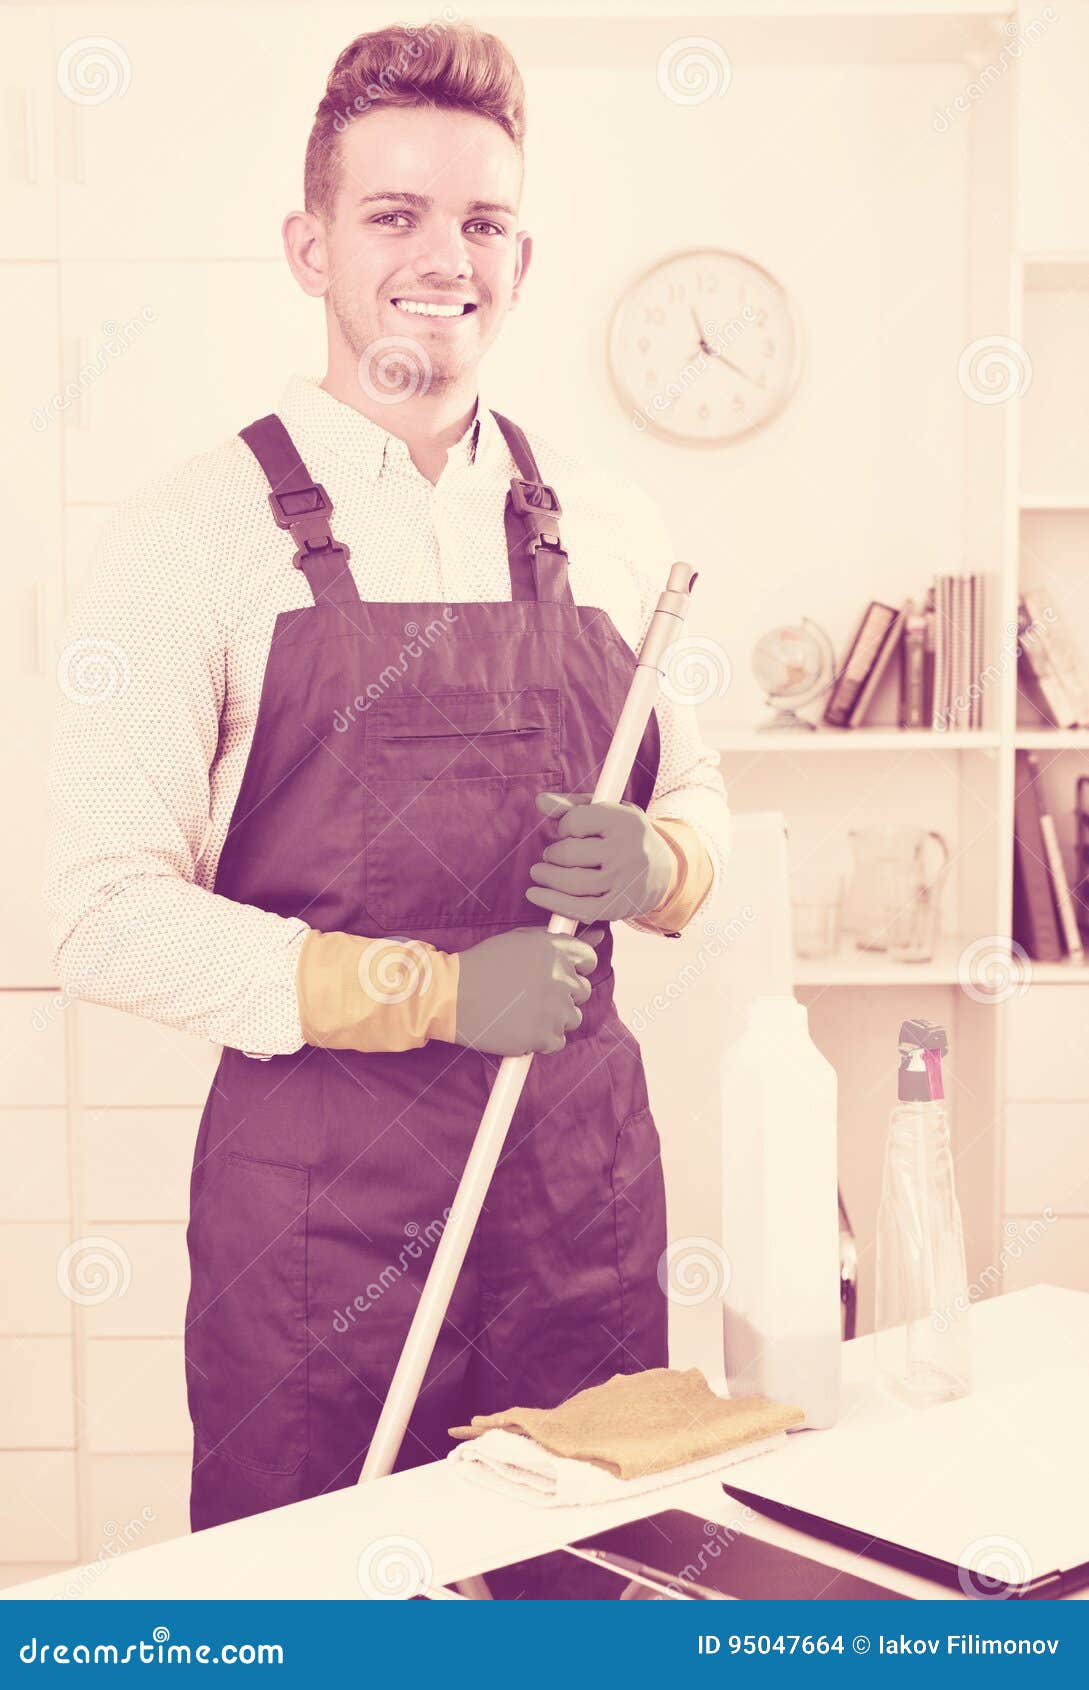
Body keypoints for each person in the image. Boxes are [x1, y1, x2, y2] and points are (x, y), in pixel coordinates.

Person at [43, 19, 731, 1599]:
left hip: (578, 1210)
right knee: (329, 1612)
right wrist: (429, 991)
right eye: (394, 215)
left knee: (595, 1603)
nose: (444, 255)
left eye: (481, 220)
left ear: (522, 254)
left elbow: (697, 798)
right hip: (317, 1239)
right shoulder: (189, 534)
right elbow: (90, 909)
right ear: (310, 246)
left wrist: (663, 857)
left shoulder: (613, 525)